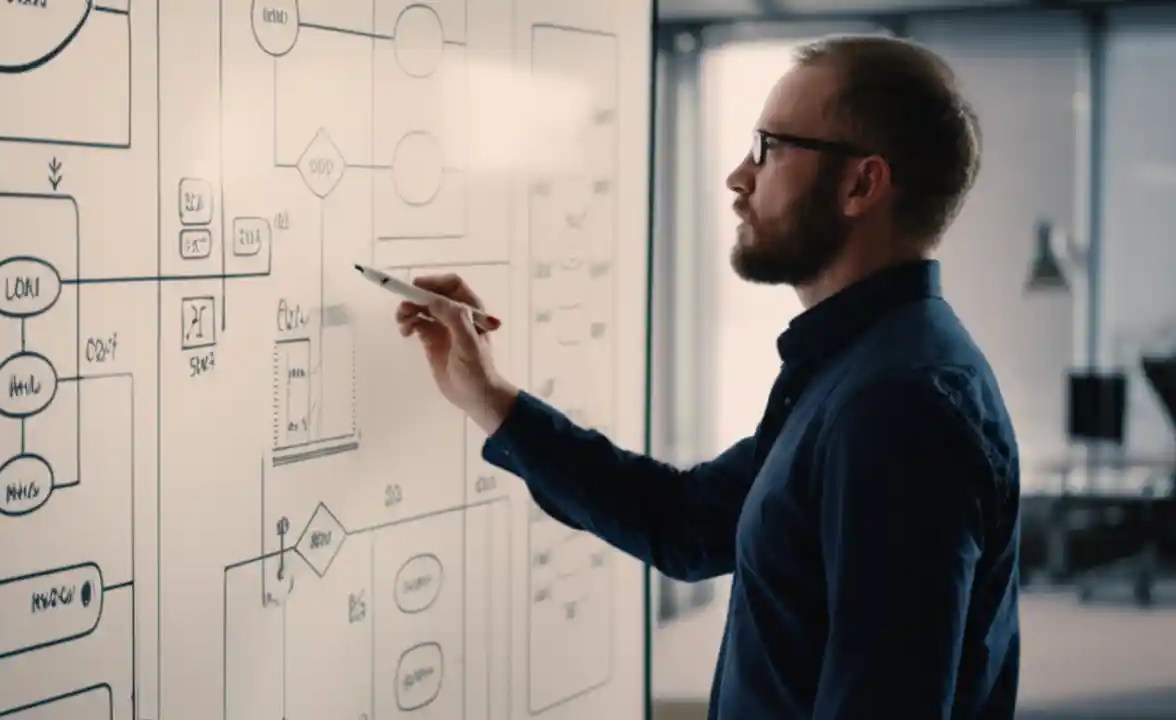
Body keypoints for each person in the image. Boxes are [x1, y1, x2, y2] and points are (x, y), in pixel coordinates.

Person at [395, 34, 1020, 719]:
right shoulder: (854, 370)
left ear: (861, 184)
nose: (737, 177)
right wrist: (491, 400)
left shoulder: (897, 407)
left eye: (767, 148)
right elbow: (687, 524)